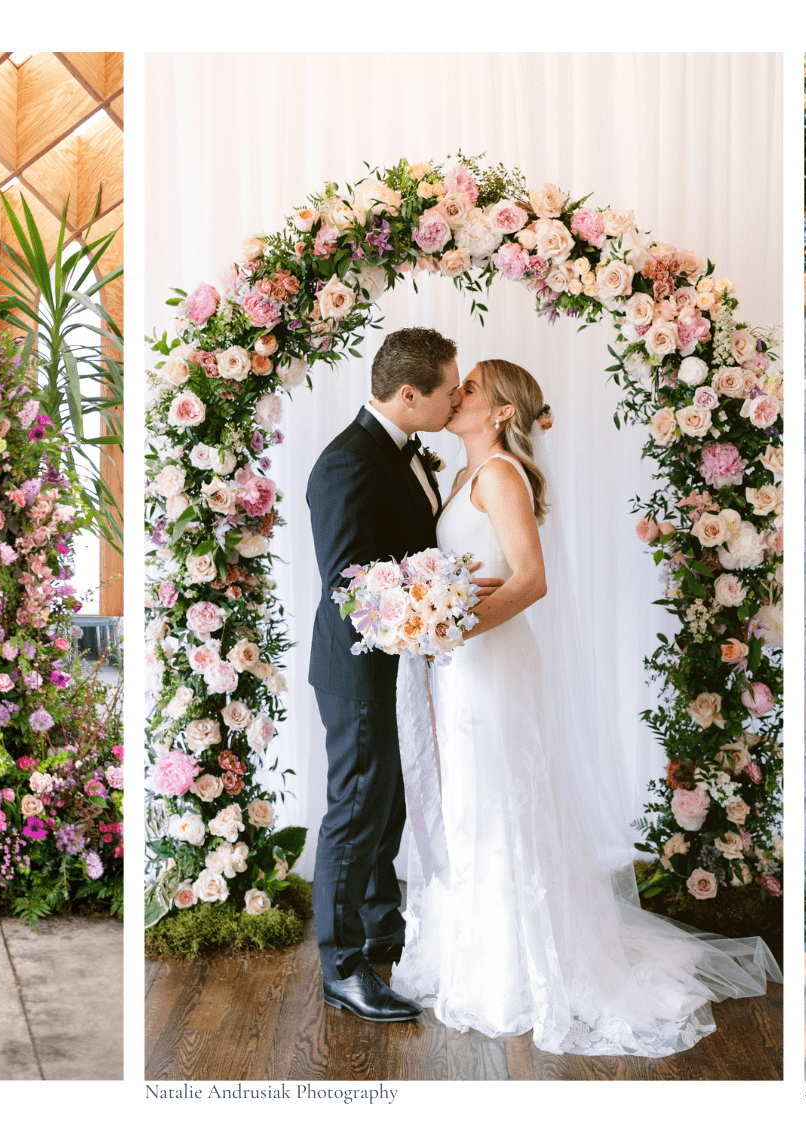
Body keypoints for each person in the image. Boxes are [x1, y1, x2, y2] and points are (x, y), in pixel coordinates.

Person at [389, 358, 782, 1056]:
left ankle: (519, 967)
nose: (457, 396)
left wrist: (451, 627)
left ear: (500, 412)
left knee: (502, 800)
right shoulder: (461, 477)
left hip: (491, 665)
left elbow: (530, 580)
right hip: (461, 667)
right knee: (470, 804)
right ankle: (478, 952)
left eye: (471, 388)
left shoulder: (502, 476)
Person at [305, 327, 495, 1022]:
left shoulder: (409, 452)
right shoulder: (346, 463)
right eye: (449, 390)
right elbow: (349, 582)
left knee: (387, 804)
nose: (456, 400)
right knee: (355, 810)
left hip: (403, 662)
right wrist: (430, 599)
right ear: (410, 394)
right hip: (358, 666)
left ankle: (384, 928)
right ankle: (342, 967)